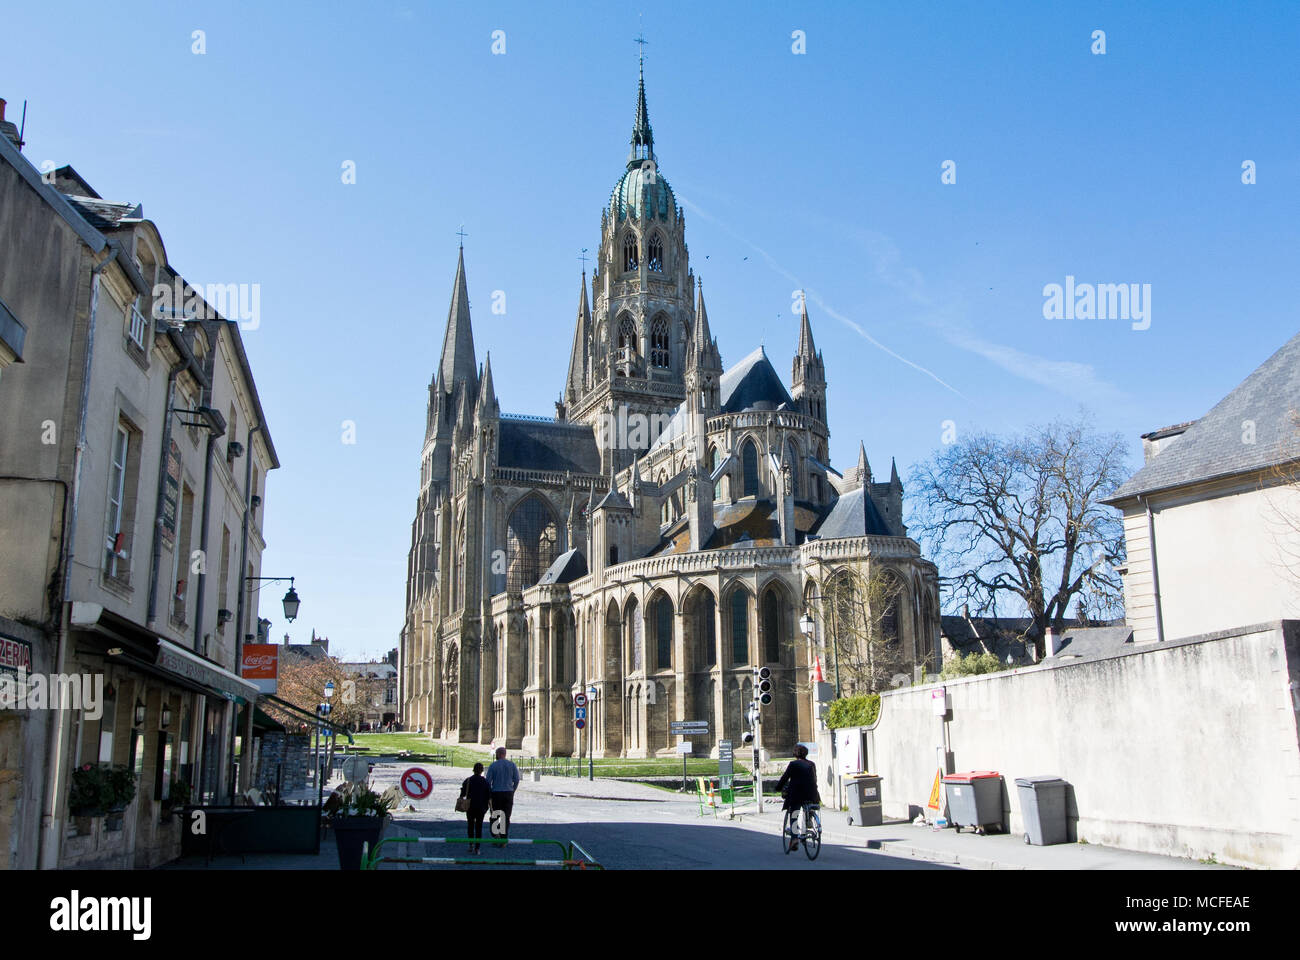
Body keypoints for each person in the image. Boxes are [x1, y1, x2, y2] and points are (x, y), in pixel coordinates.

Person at [775, 744, 821, 851]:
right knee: (808, 806)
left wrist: (778, 787)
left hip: (797, 794)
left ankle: (794, 838)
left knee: (794, 813)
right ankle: (809, 818)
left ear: (795, 754)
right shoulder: (811, 764)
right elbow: (814, 778)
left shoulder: (793, 764)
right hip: (811, 793)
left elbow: (785, 778)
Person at [484, 746, 521, 838]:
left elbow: (488, 781)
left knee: (495, 815)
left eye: (496, 754)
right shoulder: (512, 765)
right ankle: (503, 837)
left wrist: (489, 794)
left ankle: (496, 835)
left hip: (496, 793)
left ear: (499, 754)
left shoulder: (493, 765)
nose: (496, 755)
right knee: (506, 816)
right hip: (508, 793)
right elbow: (516, 780)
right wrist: (513, 790)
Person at [459, 762, 491, 854]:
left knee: (470, 825)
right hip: (481, 807)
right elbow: (489, 795)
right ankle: (477, 848)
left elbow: (463, 793)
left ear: (473, 770)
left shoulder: (468, 780)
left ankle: (470, 845)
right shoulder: (485, 782)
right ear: (482, 771)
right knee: (479, 827)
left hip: (470, 807)